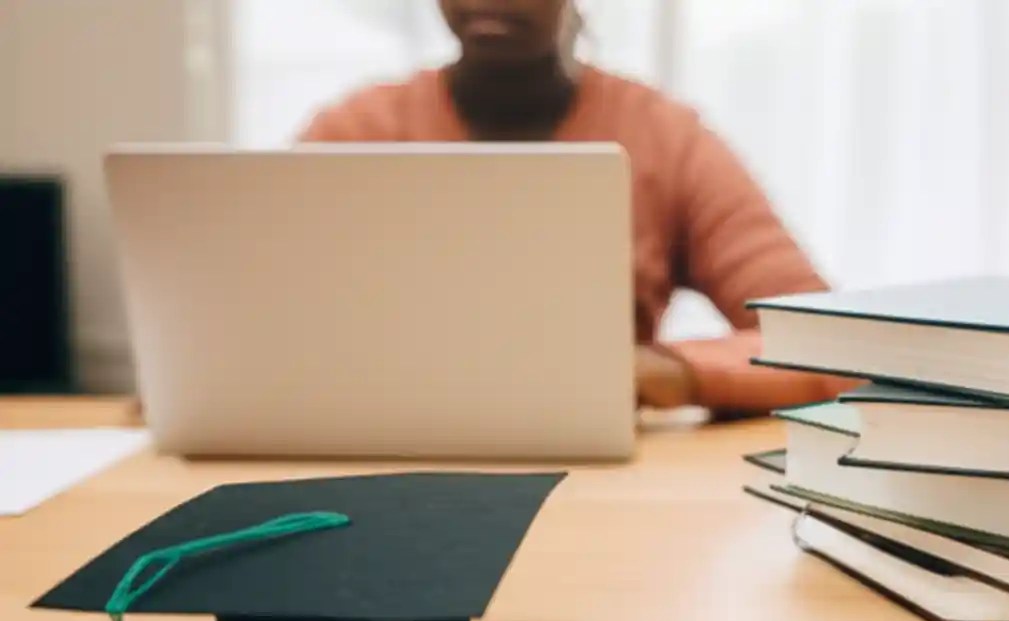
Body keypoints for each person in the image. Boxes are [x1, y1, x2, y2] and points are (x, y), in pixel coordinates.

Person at [300, 0, 854, 416]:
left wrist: (680, 372)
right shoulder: (354, 134)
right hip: (372, 463)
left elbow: (832, 347)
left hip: (597, 486)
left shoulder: (664, 137)